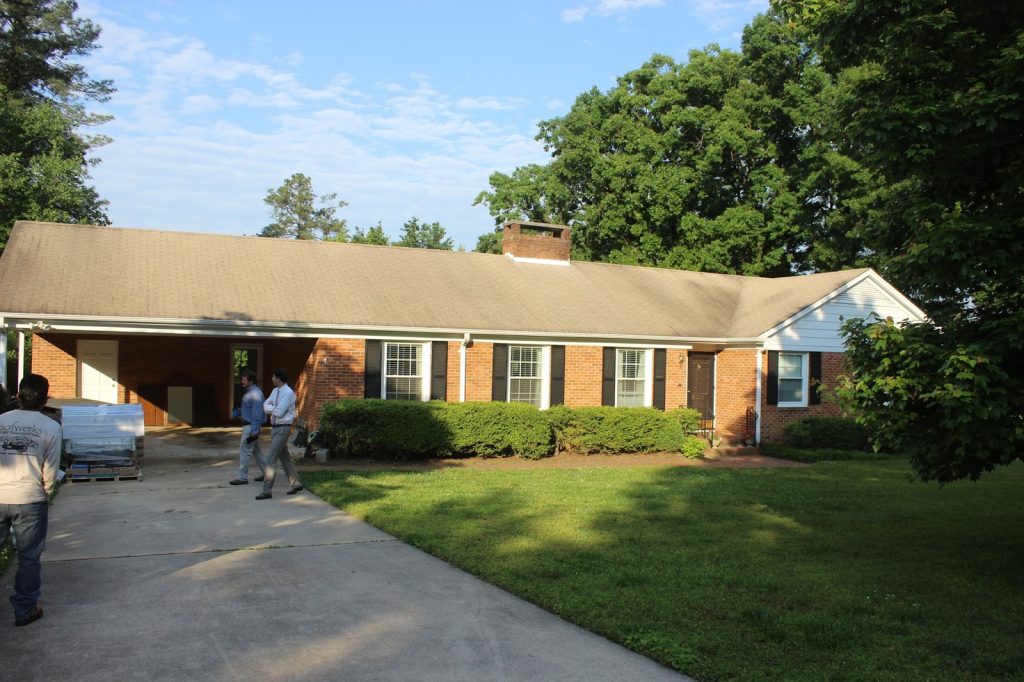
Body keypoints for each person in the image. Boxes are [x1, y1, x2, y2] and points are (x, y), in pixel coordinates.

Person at [0, 373, 62, 627]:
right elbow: (51, 469)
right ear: (46, 398)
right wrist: (45, 492)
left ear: (18, 395)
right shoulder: (51, 427)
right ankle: (25, 610)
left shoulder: (1, 420)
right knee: (28, 557)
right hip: (29, 498)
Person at [255, 368, 302, 500]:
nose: (272, 379)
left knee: (270, 458)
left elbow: (279, 412)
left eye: (273, 377)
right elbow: (265, 405)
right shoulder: (275, 391)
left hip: (283, 428)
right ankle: (296, 483)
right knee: (284, 458)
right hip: (275, 428)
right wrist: (272, 409)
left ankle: (267, 491)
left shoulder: (288, 393)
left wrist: (271, 409)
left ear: (279, 378)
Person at [228, 370, 268, 485]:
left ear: (250, 381)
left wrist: (254, 431)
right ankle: (267, 473)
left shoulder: (254, 394)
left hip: (250, 427)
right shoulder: (252, 392)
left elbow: (257, 414)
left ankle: (242, 477)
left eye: (244, 379)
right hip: (250, 426)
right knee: (257, 452)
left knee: (245, 451)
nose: (242, 381)